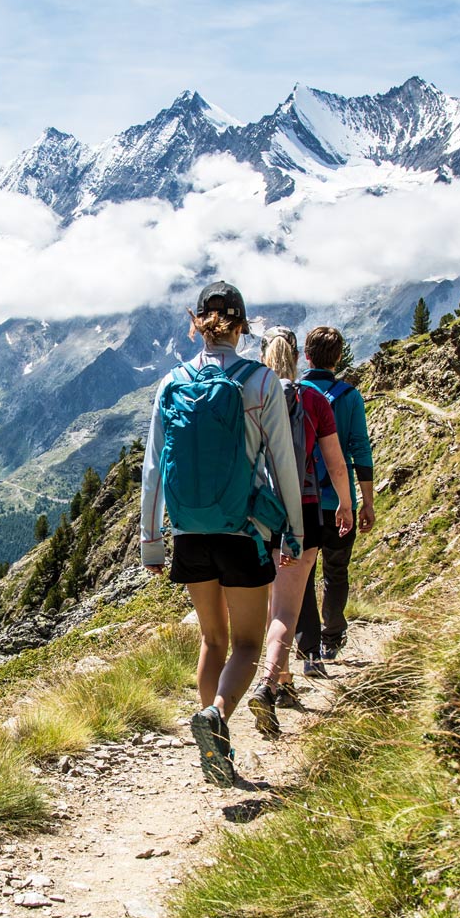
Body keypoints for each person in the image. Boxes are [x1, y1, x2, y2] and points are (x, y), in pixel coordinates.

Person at [140, 282, 303, 787]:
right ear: (242, 325)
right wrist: (293, 532)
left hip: (188, 532)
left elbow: (153, 470)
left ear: (198, 324)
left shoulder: (171, 383)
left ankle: (212, 748)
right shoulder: (261, 383)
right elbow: (283, 464)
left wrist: (152, 540)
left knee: (212, 639)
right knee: (249, 644)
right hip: (244, 532)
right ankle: (217, 719)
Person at [246, 328, 352, 737]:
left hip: (258, 514)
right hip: (304, 510)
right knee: (287, 609)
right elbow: (336, 462)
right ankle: (269, 683)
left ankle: (284, 681)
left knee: (273, 599)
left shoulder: (249, 395)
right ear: (298, 357)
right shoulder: (313, 400)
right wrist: (345, 503)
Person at [294, 326, 375, 677]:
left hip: (303, 501)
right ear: (338, 358)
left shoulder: (294, 393)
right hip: (341, 501)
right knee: (336, 571)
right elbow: (361, 451)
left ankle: (308, 647)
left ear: (306, 356)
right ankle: (332, 636)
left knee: (303, 575)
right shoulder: (351, 397)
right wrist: (365, 502)